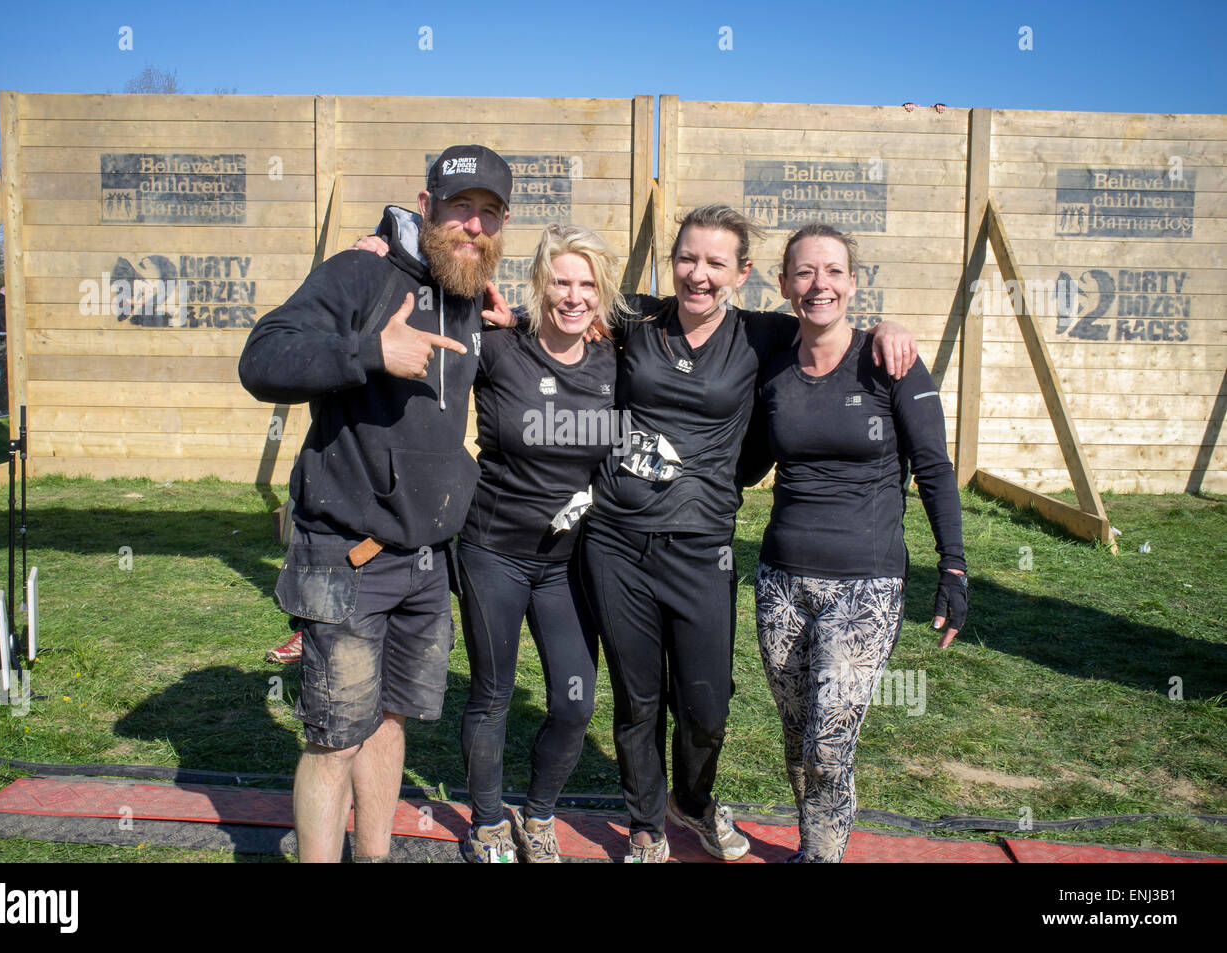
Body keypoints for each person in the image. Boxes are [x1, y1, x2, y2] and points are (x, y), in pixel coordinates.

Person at [579, 205, 918, 862]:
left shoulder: (761, 335)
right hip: (617, 541)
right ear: (670, 260)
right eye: (687, 258)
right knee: (637, 697)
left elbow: (828, 317)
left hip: (702, 544)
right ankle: (647, 823)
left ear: (743, 272)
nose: (697, 275)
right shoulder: (636, 321)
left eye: (714, 263)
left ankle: (695, 800)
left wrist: (887, 327)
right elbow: (565, 307)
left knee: (706, 704)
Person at [238, 144, 514, 863]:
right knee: (334, 739)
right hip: (348, 557)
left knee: (390, 722)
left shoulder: (471, 296)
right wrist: (366, 352)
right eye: (460, 209)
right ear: (426, 209)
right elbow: (262, 357)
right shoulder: (361, 273)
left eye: (489, 214)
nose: (473, 227)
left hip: (425, 563)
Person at [353, 223, 628, 863]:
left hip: (566, 565)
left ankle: (538, 816)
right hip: (491, 551)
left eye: (587, 283)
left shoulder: (617, 359)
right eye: (560, 281)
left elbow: (689, 317)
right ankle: (486, 821)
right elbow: (431, 299)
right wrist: (379, 250)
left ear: (602, 291)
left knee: (573, 698)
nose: (573, 295)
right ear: (539, 283)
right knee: (493, 693)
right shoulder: (499, 348)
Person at [753, 223, 967, 863]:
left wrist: (953, 568)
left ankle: (823, 856)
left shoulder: (890, 359)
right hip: (780, 581)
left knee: (828, 740)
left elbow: (934, 468)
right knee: (798, 740)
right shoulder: (773, 368)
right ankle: (813, 842)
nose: (820, 285)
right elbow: (744, 459)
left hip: (866, 583)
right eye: (805, 272)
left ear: (853, 282)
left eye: (834, 272)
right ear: (786, 283)